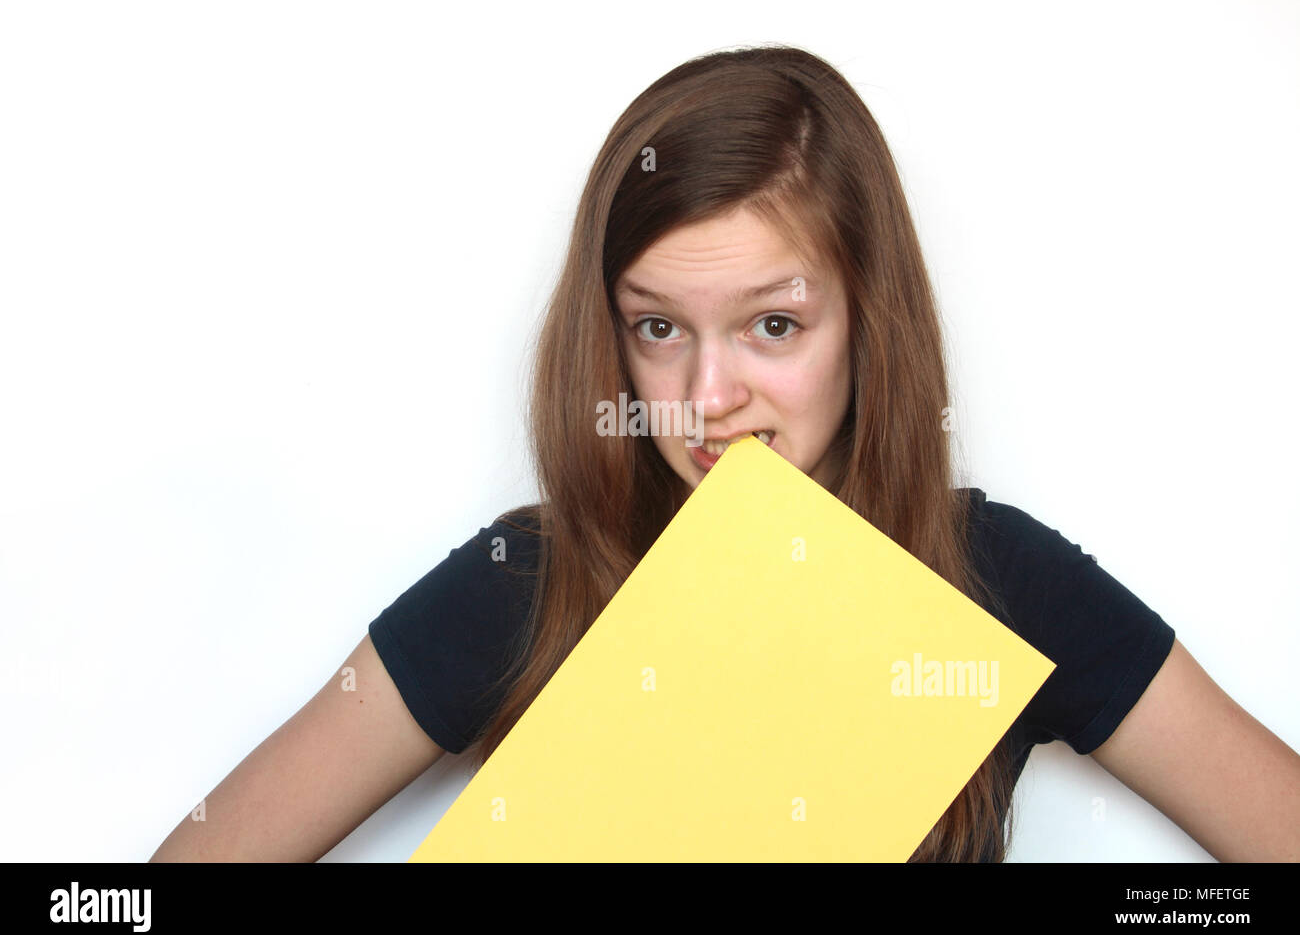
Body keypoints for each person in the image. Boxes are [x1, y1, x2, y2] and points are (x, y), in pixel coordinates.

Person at [150, 44, 1300, 863]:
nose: (708, 400)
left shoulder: (991, 575)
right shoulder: (530, 583)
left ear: (866, 322)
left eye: (774, 325)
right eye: (658, 327)